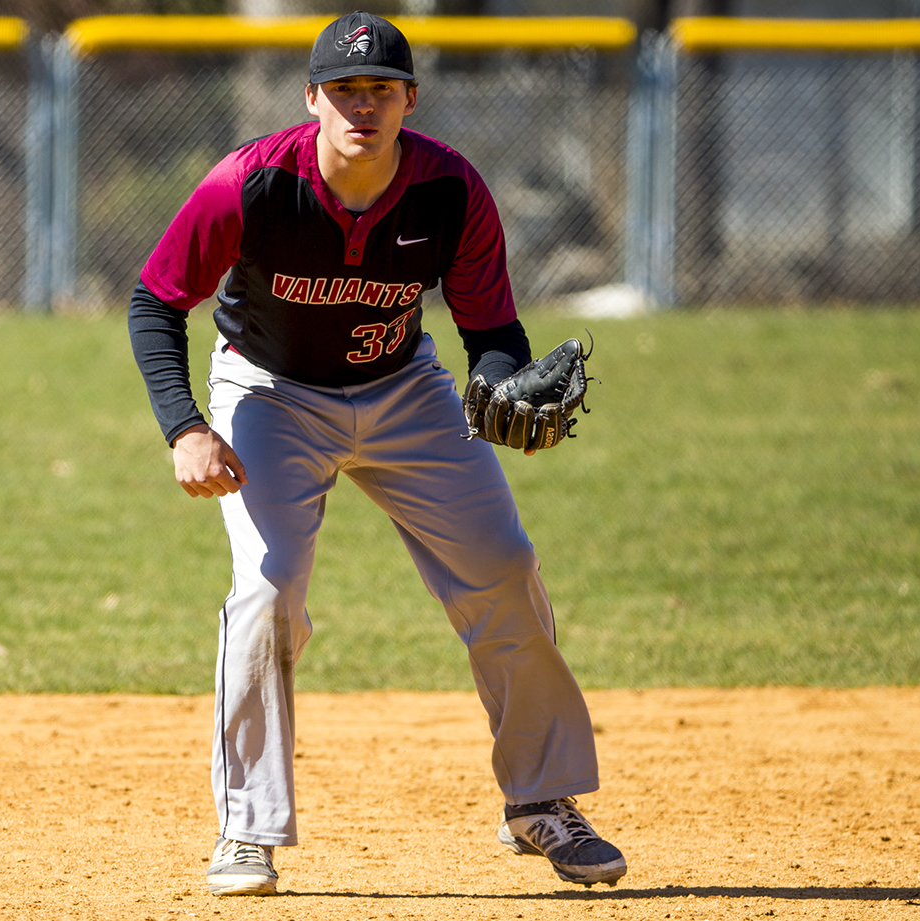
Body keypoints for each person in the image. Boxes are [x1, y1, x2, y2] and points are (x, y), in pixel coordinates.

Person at [128, 10, 625, 896]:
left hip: (405, 391)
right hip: (269, 392)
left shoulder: (449, 189)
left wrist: (504, 382)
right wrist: (186, 426)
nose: (364, 104)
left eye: (382, 89)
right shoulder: (248, 184)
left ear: (409, 100)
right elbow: (156, 300)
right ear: (312, 97)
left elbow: (491, 328)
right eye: (346, 88)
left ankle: (542, 802)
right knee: (268, 589)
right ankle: (248, 831)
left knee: (504, 565)